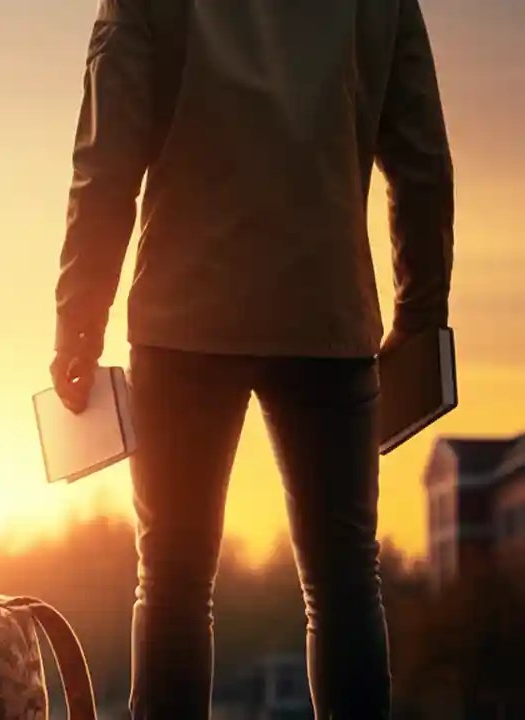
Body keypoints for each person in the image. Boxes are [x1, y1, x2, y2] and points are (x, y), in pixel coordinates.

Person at [49, 0, 454, 718]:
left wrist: (79, 321)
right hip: (325, 313)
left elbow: (106, 157)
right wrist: (420, 318)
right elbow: (420, 156)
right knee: (344, 585)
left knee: (172, 585)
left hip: (184, 316)